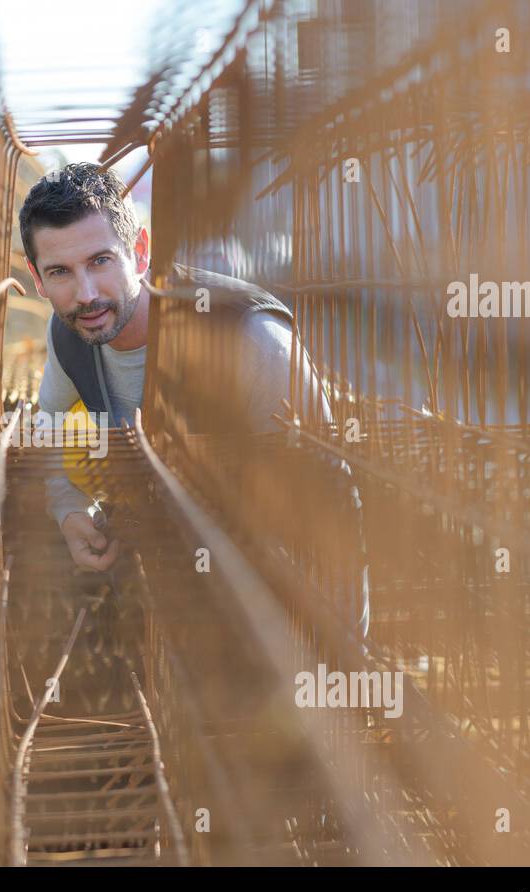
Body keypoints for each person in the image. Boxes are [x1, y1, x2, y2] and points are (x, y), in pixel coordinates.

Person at [21, 161, 368, 642]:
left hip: (275, 601)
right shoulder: (68, 335)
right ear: (38, 281)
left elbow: (332, 504)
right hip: (174, 587)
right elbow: (47, 430)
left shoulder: (247, 335)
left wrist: (340, 655)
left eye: (101, 261)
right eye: (60, 271)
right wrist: (69, 511)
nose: (86, 294)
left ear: (140, 253)